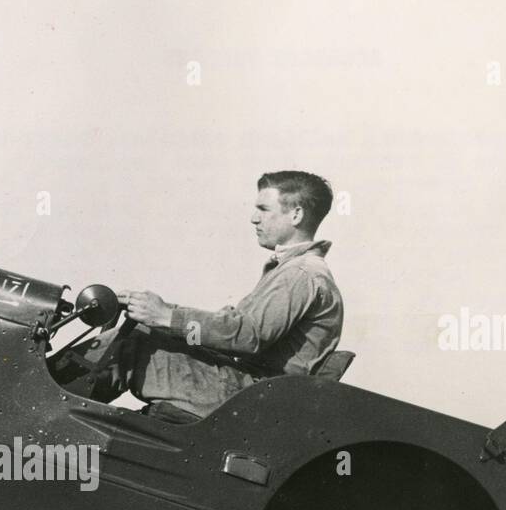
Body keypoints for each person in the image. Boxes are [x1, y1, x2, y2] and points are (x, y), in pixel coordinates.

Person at [106, 170, 344, 422]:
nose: (254, 218)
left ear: (296, 214)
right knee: (143, 333)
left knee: (129, 345)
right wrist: (157, 310)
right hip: (253, 391)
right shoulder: (295, 269)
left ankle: (59, 420)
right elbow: (234, 325)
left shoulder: (300, 274)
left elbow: (248, 336)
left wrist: (167, 317)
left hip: (252, 398)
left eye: (263, 209)